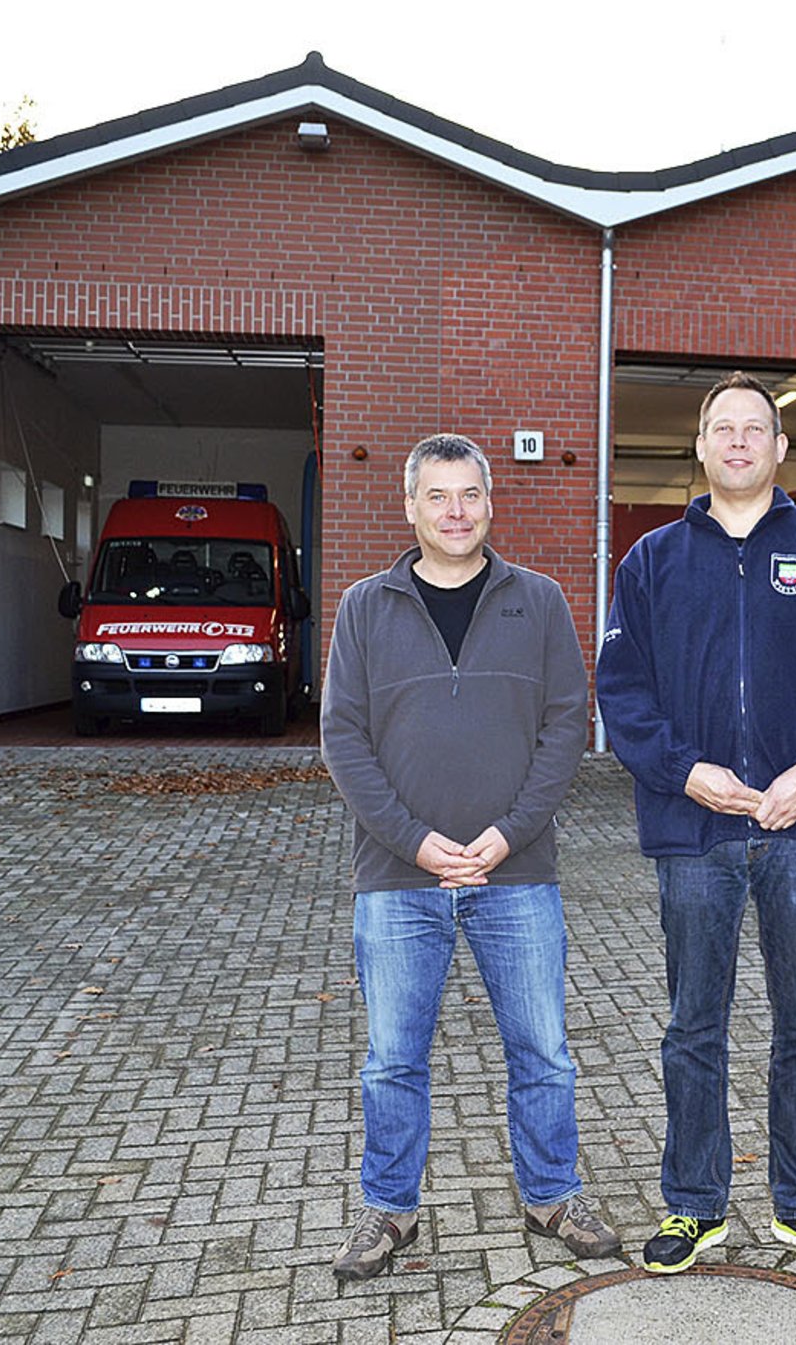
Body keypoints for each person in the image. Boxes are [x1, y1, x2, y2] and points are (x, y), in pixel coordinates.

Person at [596, 372, 796, 1276]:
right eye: (720, 428)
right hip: (696, 831)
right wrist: (688, 775)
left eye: (753, 429)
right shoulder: (648, 562)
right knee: (694, 1025)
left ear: (779, 448)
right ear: (699, 446)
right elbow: (622, 693)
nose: (736, 442)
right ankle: (695, 1207)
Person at [320, 433, 620, 1282]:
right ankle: (388, 1211)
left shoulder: (542, 601)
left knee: (543, 1052)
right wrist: (415, 840)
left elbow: (567, 725)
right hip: (398, 880)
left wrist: (508, 833)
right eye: (438, 497)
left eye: (470, 496)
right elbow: (343, 738)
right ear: (409, 506)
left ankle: (553, 1194)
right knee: (391, 1060)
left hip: (515, 874)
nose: (456, 512)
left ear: (491, 504)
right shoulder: (364, 608)